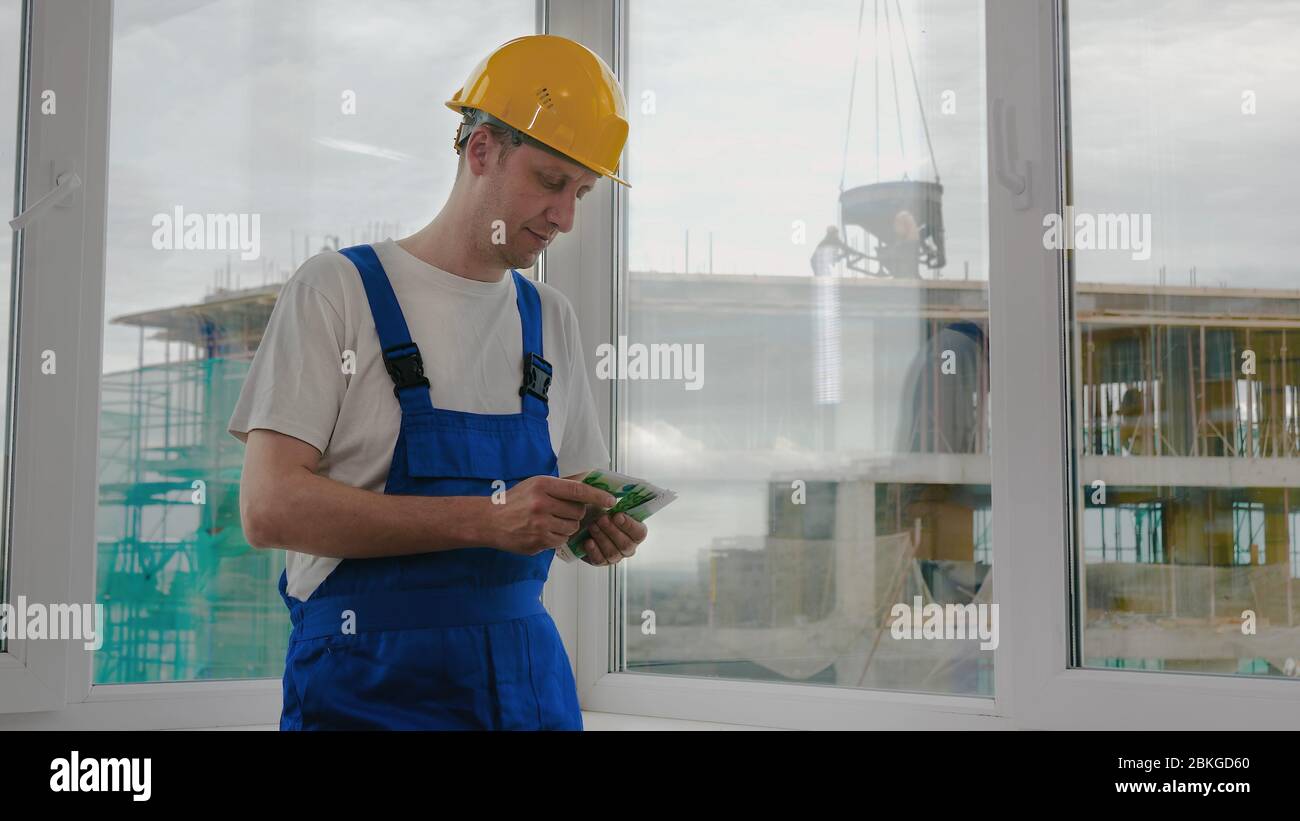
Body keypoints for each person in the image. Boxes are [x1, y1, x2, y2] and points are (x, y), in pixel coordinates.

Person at [227, 34, 645, 730]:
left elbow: (560, 502)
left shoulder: (550, 319)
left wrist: (595, 528)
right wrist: (488, 518)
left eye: (582, 191)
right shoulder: (340, 289)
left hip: (530, 688)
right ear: (480, 149)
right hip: (368, 687)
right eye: (549, 181)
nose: (566, 217)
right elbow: (269, 507)